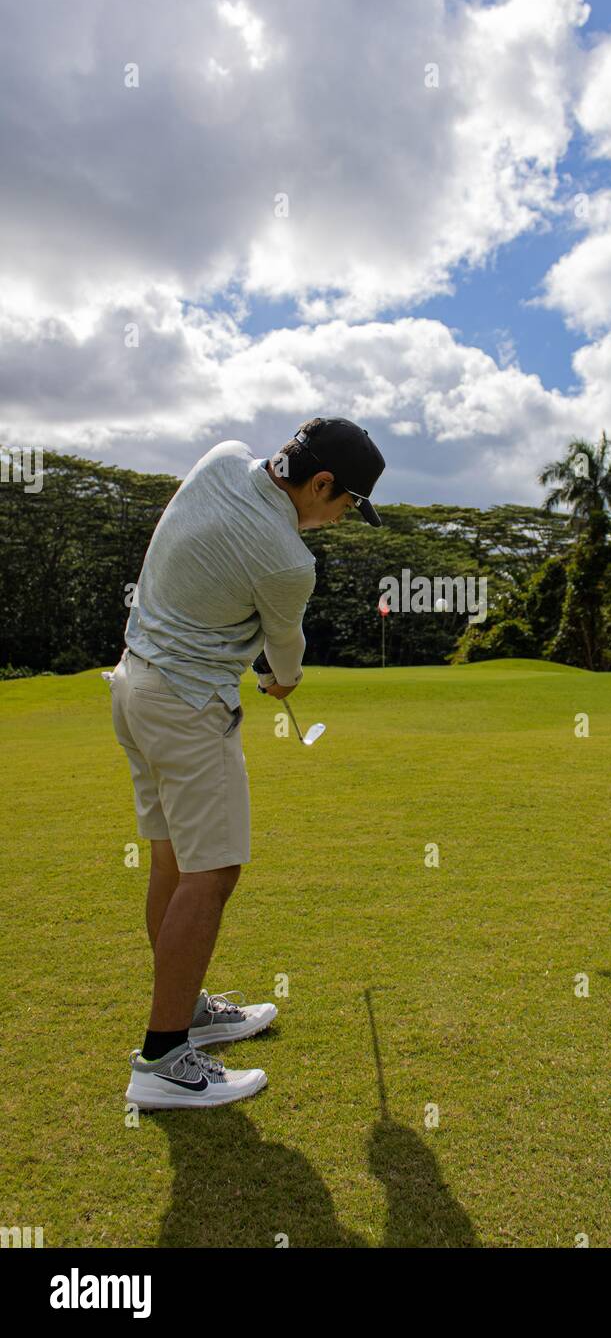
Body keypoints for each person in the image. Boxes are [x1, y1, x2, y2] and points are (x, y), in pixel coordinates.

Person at [110, 418, 386, 1110]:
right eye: (346, 501)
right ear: (320, 485)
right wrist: (282, 681)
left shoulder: (222, 457)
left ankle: (190, 1014)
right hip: (187, 707)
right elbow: (284, 651)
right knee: (213, 872)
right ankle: (164, 1059)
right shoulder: (289, 561)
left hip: (134, 685)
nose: (342, 515)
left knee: (173, 861)